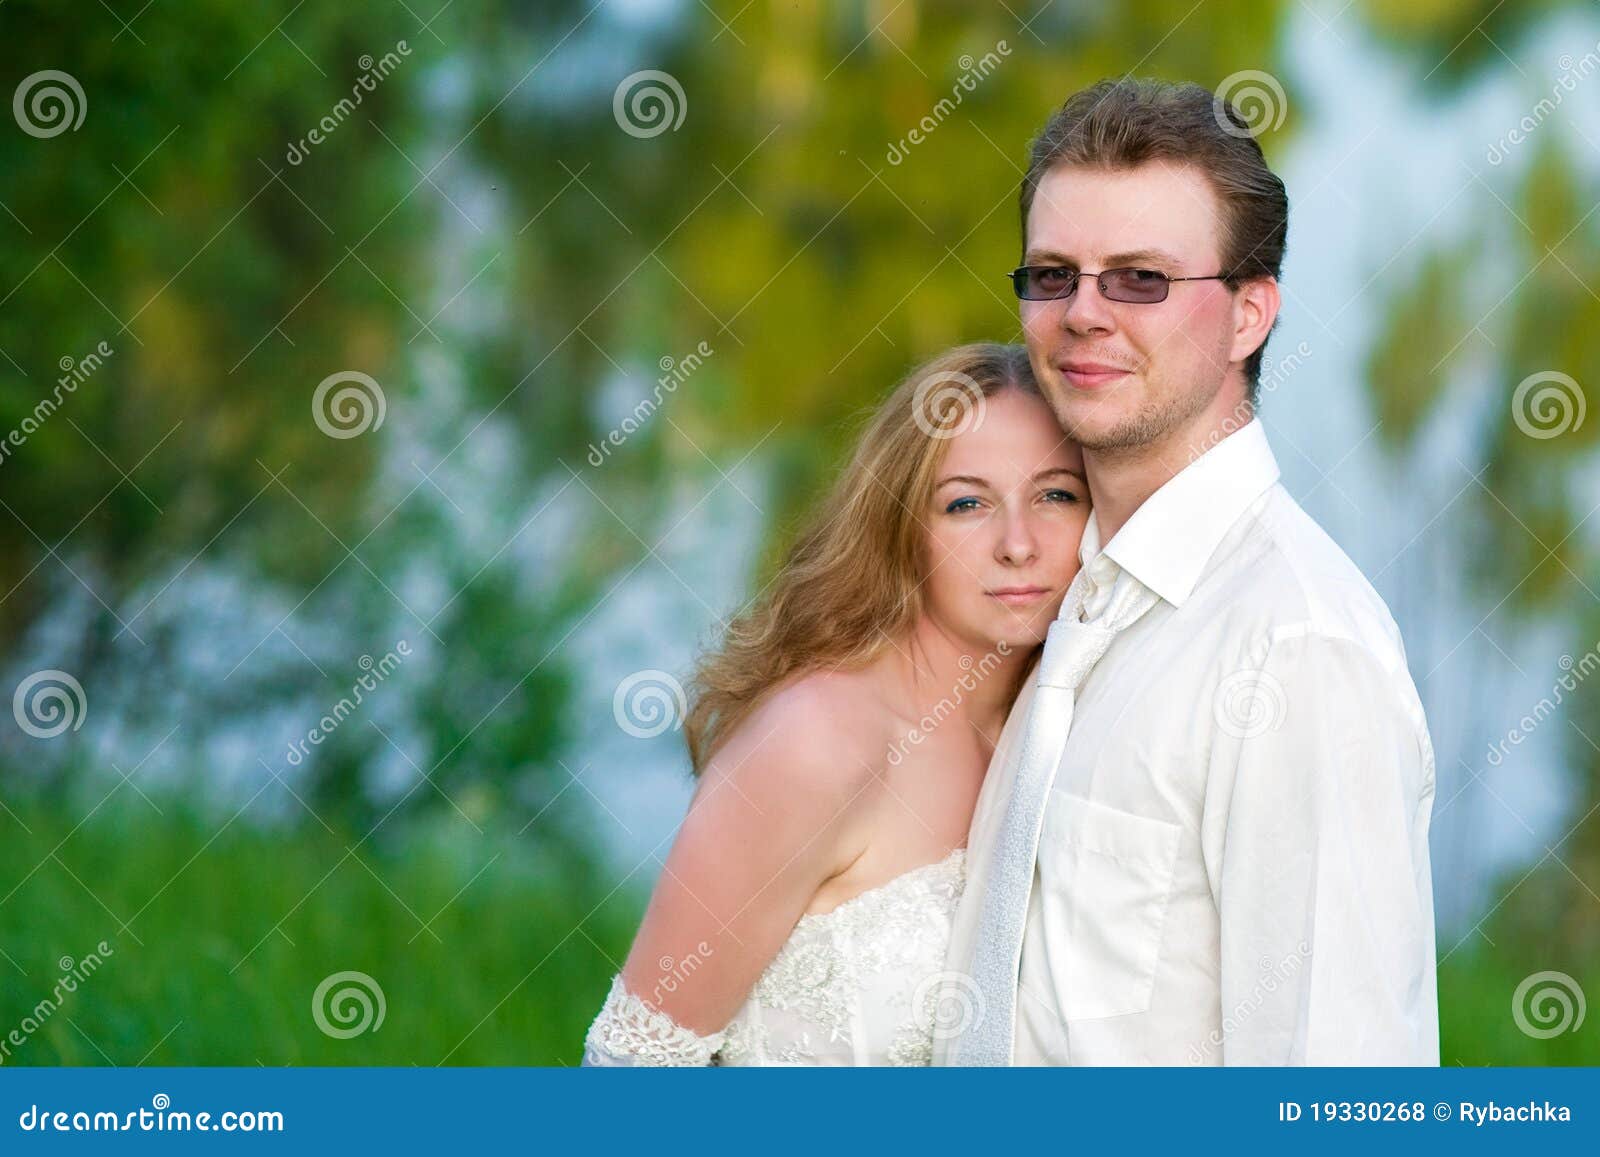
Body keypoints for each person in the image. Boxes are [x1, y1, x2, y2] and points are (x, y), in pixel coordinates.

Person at [935, 77, 1439, 1066]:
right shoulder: (1044, 589)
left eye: (1138, 279)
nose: (1082, 314)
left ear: (1248, 317)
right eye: (1051, 274)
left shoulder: (1295, 649)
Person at [582, 342, 1090, 1065]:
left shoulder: (1052, 726)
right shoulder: (816, 737)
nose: (1018, 543)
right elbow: (631, 1070)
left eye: (1055, 494)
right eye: (967, 503)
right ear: (902, 527)